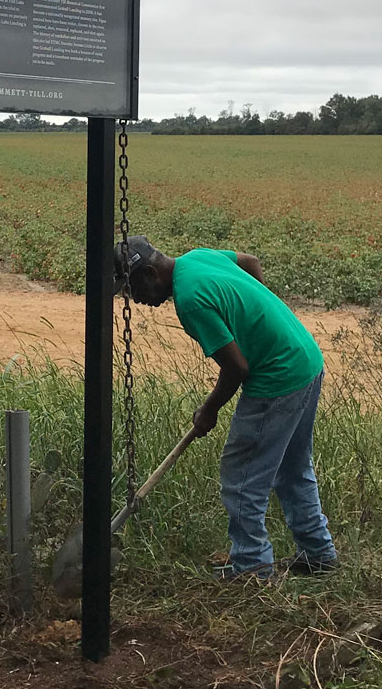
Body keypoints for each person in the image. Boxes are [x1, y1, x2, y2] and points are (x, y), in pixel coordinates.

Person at [115, 236, 336, 579]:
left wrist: (209, 409)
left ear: (149, 274)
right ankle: (319, 554)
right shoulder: (196, 257)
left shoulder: (190, 301)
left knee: (242, 478)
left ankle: (252, 568)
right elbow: (251, 261)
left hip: (277, 379)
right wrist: (259, 317)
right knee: (292, 469)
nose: (137, 301)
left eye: (132, 291)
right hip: (305, 359)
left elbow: (237, 368)